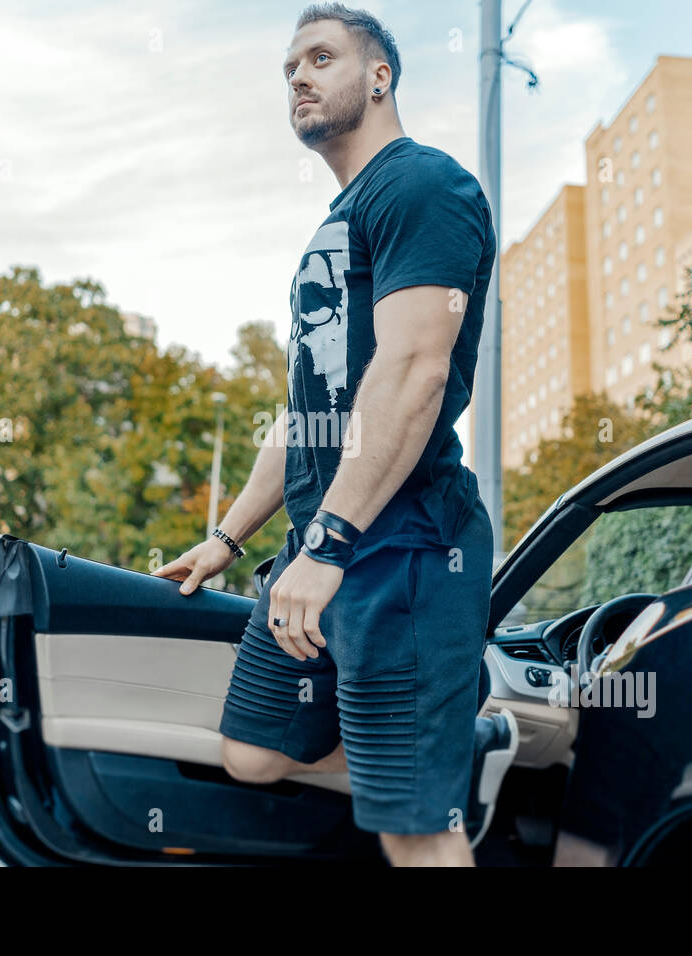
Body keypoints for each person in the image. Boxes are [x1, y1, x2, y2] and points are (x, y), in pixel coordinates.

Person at [153, 2, 517, 867]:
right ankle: (438, 754)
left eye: (320, 58)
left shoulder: (425, 185)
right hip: (324, 546)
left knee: (415, 832)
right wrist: (227, 537)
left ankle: (427, 779)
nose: (299, 79)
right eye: (289, 70)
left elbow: (417, 371)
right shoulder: (341, 219)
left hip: (405, 551)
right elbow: (306, 409)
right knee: (252, 751)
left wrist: (332, 543)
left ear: (380, 75)